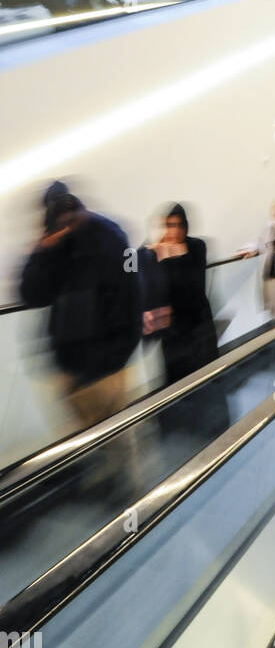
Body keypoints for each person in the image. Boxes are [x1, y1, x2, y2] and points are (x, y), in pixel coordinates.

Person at [19, 183, 140, 466]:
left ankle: (132, 500)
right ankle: (103, 488)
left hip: (107, 369)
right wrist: (43, 249)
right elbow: (31, 294)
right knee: (85, 445)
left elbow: (133, 291)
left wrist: (119, 355)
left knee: (116, 442)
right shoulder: (52, 245)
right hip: (68, 367)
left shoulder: (113, 235)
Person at [138, 203, 219, 384]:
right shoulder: (153, 251)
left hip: (199, 326)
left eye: (178, 225)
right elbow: (138, 262)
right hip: (173, 331)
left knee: (206, 377)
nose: (174, 232)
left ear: (185, 226)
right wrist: (158, 248)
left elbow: (195, 284)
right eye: (169, 225)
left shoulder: (197, 246)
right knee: (177, 381)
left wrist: (166, 253)